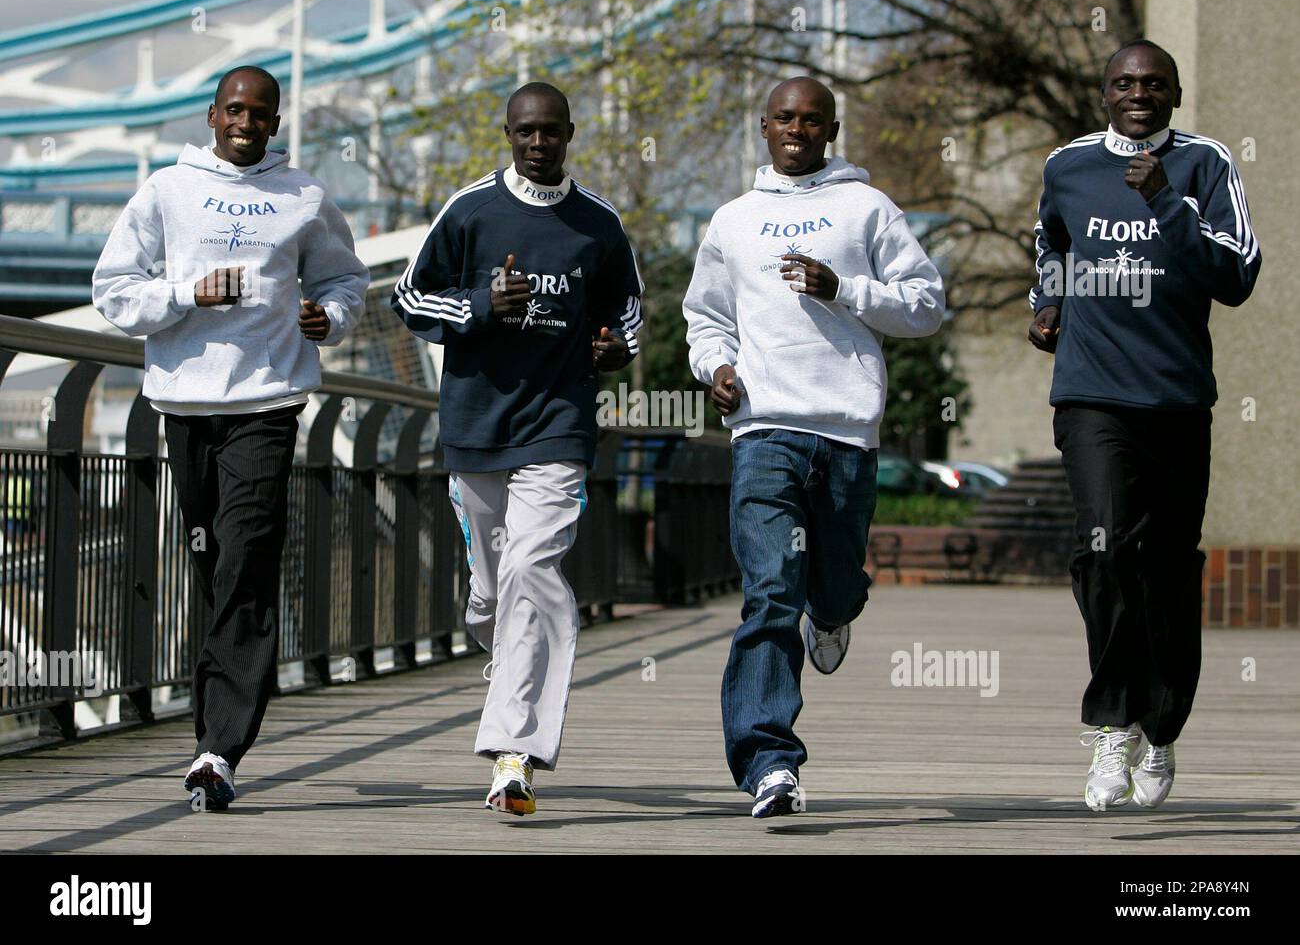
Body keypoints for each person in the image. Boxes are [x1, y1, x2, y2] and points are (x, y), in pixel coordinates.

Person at [92, 65, 369, 810]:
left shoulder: (304, 196)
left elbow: (346, 282)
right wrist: (189, 292)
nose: (248, 123)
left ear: (275, 124)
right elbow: (114, 289)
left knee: (246, 556)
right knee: (212, 563)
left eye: (262, 114)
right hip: (184, 405)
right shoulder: (165, 192)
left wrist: (330, 320)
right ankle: (209, 723)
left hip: (267, 403)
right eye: (236, 110)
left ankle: (218, 749)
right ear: (212, 115)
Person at [683, 77, 944, 818]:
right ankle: (770, 762)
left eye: (811, 120)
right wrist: (719, 369)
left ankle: (834, 612)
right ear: (764, 126)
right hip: (765, 430)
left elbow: (926, 305)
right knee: (769, 591)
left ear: (830, 129)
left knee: (829, 583)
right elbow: (705, 319)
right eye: (784, 119)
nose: (797, 129)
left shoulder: (866, 208)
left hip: (845, 431)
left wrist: (847, 288)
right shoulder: (732, 221)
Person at [391, 82, 643, 816]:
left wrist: (615, 346)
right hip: (476, 427)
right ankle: (496, 634)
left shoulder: (597, 223)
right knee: (494, 595)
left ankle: (512, 754)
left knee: (534, 570)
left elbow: (627, 310)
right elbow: (410, 298)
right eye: (526, 132)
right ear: (507, 133)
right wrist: (477, 308)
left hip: (558, 426)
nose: (539, 144)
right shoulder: (469, 210)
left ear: (571, 133)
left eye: (552, 133)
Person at [1026, 39, 1260, 811]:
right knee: (1100, 551)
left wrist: (1165, 197)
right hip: (1091, 395)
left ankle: (1161, 728)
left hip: (1176, 401)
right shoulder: (1069, 166)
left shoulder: (1205, 165)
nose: (1138, 93)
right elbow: (1050, 243)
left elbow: (1235, 278)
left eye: (1153, 83)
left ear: (1175, 93)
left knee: (1165, 571)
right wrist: (1048, 304)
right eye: (1124, 82)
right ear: (1105, 93)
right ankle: (1112, 721)